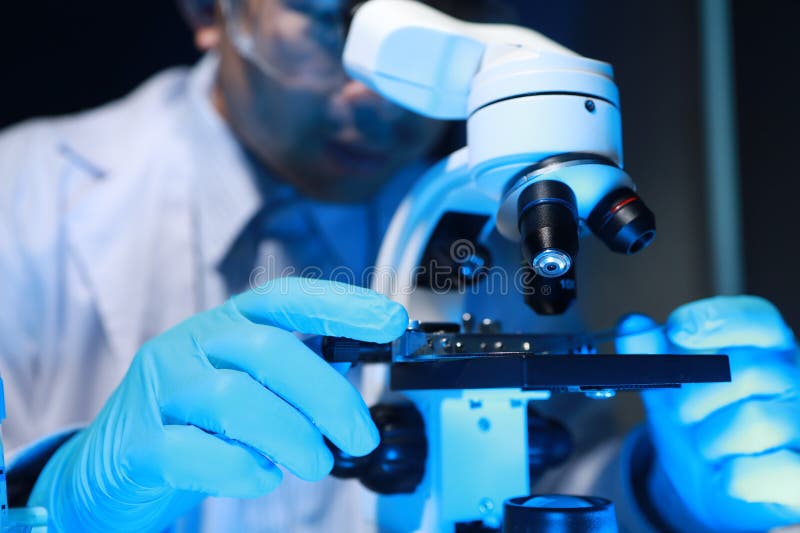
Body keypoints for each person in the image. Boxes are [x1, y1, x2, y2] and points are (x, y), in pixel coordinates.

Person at [0, 0, 797, 531]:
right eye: (329, 23)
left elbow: (537, 458)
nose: (381, 100)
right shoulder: (23, 197)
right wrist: (55, 503)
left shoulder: (468, 219)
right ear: (212, 12)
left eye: (439, 43)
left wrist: (662, 489)